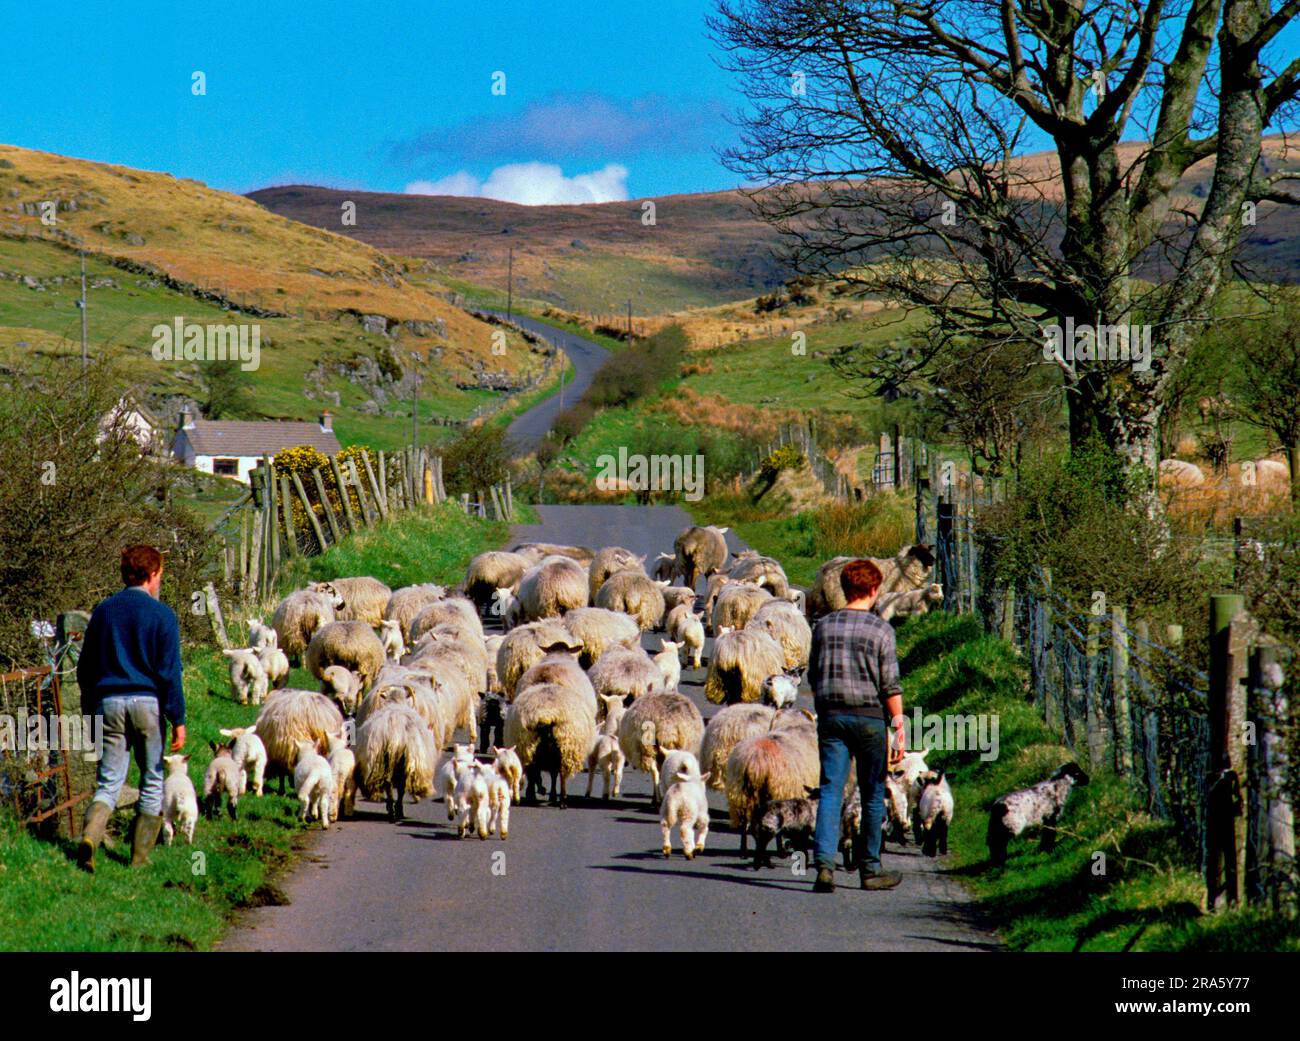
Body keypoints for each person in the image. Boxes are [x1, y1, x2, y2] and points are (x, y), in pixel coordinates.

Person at [75, 545, 186, 873]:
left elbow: (86, 670)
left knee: (109, 781)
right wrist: (177, 718)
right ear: (152, 576)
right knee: (152, 776)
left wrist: (90, 712)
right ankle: (139, 859)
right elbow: (169, 673)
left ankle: (90, 838)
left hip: (108, 704)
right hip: (147, 704)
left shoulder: (104, 611)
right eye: (160, 576)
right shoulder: (163, 615)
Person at [807, 558, 905, 892]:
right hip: (869, 719)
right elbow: (890, 685)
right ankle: (870, 869)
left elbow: (813, 674)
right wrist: (900, 727)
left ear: (845, 589)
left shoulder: (823, 626)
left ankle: (823, 865)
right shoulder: (882, 630)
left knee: (831, 790)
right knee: (873, 792)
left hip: (832, 716)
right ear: (875, 590)